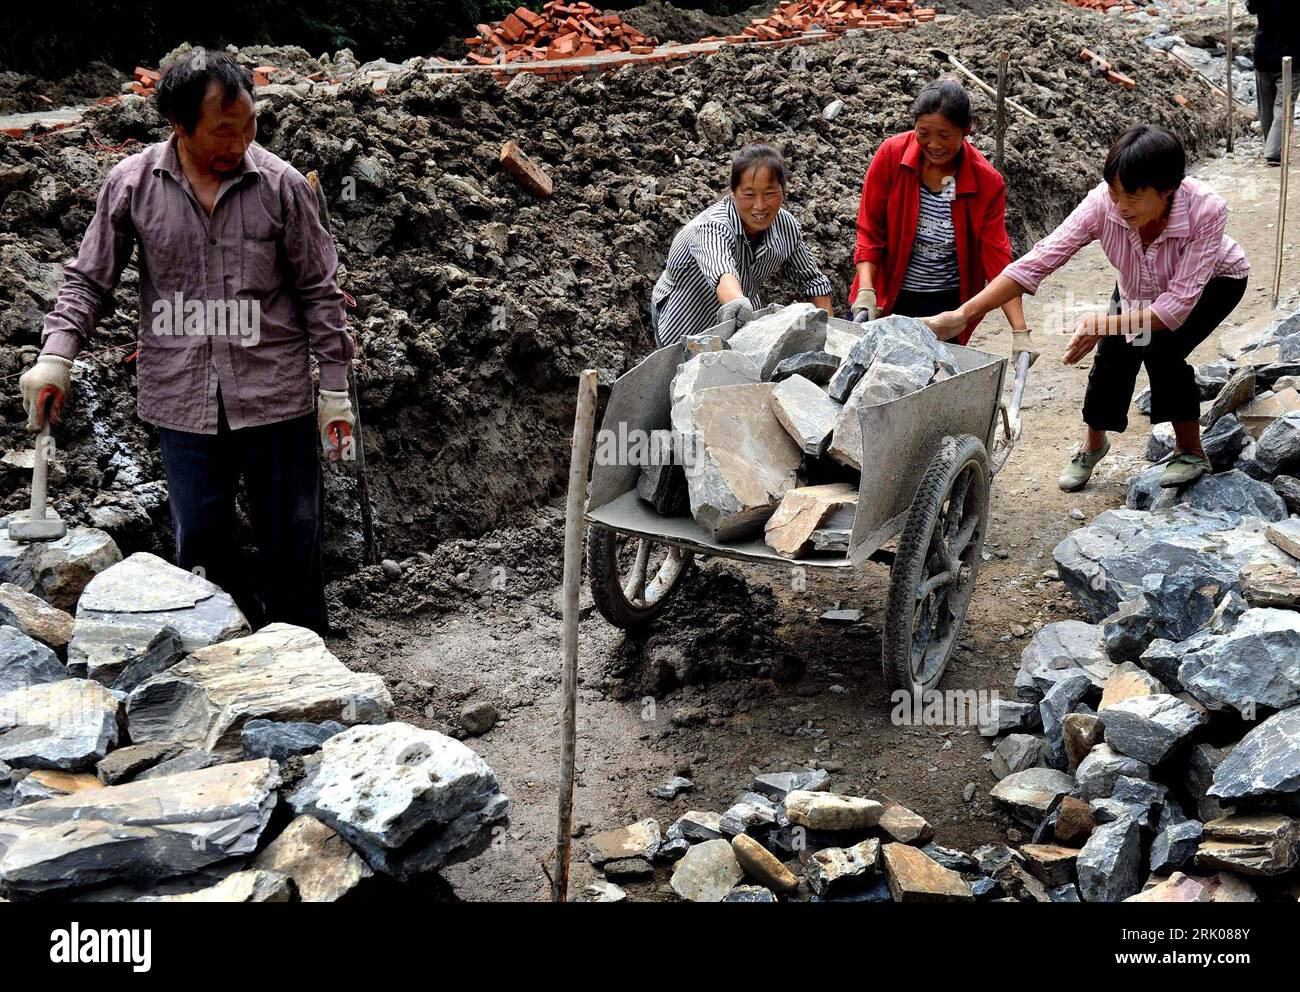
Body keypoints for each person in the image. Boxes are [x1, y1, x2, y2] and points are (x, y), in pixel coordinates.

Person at [17, 51, 356, 634]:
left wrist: (334, 389)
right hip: (182, 399)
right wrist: (55, 356)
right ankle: (223, 657)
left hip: (273, 394)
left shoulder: (281, 186)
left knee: (293, 536)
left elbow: (320, 293)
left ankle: (309, 659)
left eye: (250, 125)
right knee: (200, 539)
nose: (242, 142)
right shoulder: (132, 184)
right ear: (179, 125)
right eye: (225, 131)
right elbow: (90, 279)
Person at [925, 124, 1250, 492]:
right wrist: (964, 314)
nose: (1120, 205)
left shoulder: (1205, 210)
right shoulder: (1102, 205)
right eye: (1114, 192)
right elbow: (1038, 260)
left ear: (1167, 191)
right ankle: (1093, 444)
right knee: (1112, 357)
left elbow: (1175, 309)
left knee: (1163, 348)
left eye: (1132, 195)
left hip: (1213, 283)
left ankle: (1190, 449)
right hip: (1140, 285)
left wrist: (1102, 324)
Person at [850, 77, 1030, 356]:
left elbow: (997, 260)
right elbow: (870, 232)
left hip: (947, 309)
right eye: (924, 133)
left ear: (966, 130)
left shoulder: (986, 182)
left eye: (945, 136)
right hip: (887, 295)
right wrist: (866, 291)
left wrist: (1020, 330)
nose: (933, 144)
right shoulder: (891, 156)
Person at [651, 144, 833, 347]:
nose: (760, 205)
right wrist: (737, 301)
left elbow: (813, 281)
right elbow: (722, 273)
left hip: (742, 312)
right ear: (733, 193)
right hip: (685, 317)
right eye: (749, 195)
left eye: (770, 193)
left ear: (783, 191)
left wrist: (832, 336)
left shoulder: (786, 226)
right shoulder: (713, 226)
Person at [1248, 0, 1300, 167]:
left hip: (1263, 55)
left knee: (1267, 106)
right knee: (1283, 106)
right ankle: (1274, 153)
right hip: (1292, 59)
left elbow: (1251, 7)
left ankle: (1270, 147)